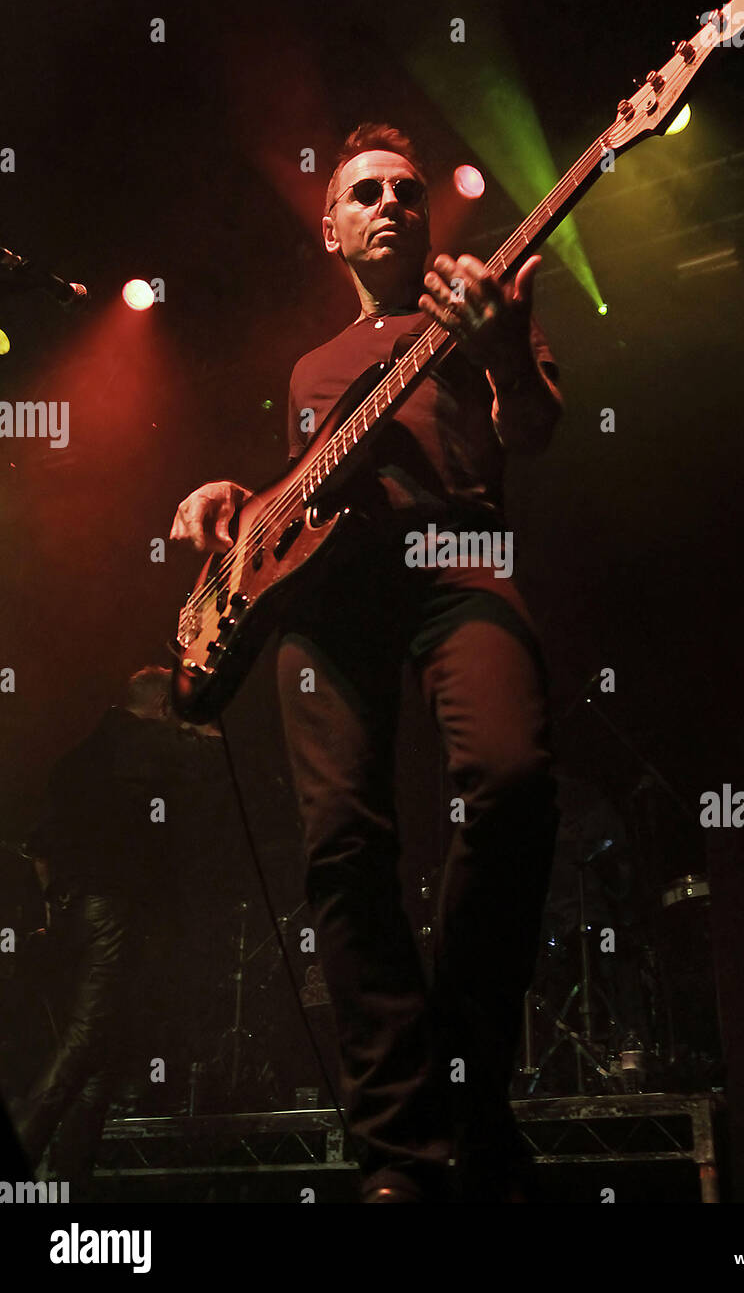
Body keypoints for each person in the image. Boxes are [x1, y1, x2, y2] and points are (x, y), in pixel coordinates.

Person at [169, 123, 564, 1202]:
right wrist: (236, 506)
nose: (391, 201)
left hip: (459, 561)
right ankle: (399, 1148)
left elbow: (530, 431)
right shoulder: (308, 366)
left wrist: (498, 350)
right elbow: (309, 490)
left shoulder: (476, 307)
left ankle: (474, 1088)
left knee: (513, 779)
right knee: (343, 848)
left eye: (407, 189)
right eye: (366, 191)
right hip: (329, 604)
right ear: (335, 228)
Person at [16, 667, 226, 1197]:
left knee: (101, 1055)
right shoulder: (151, 741)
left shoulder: (76, 757)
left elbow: (38, 848)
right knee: (88, 1045)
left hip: (70, 914)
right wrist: (204, 725)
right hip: (113, 913)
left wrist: (55, 910)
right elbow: (213, 766)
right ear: (161, 707)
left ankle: (68, 1187)